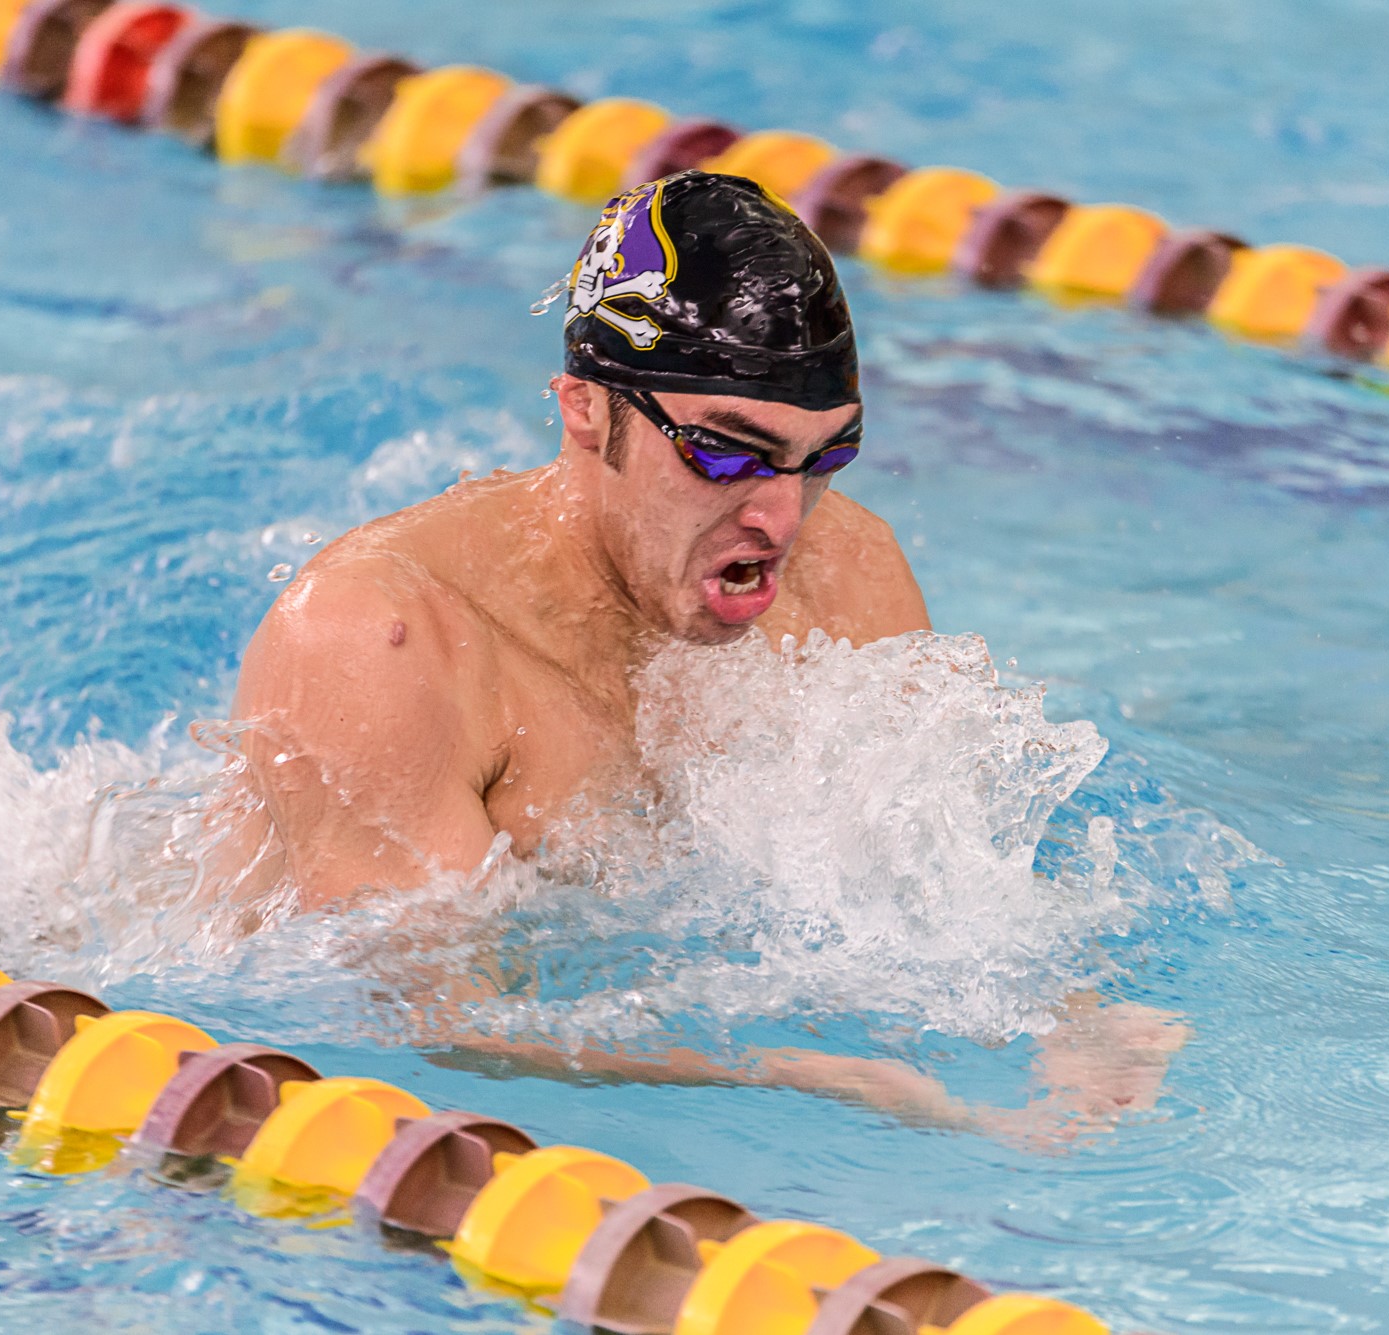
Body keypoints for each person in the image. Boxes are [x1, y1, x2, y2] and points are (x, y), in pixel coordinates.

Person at [227, 171, 1181, 1141]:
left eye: (822, 459)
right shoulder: (384, 640)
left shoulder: (847, 572)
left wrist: (1072, 1016)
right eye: (724, 454)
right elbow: (425, 1026)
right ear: (585, 411)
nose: (779, 518)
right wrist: (777, 1075)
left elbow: (937, 881)